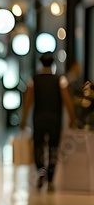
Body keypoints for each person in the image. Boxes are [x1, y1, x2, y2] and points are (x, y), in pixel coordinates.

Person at [21, 53, 78, 189]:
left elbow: (28, 101)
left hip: (39, 117)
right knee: (53, 147)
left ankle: (41, 171)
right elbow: (67, 101)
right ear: (52, 64)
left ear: (41, 64)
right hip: (55, 118)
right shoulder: (60, 80)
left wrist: (23, 119)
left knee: (39, 145)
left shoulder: (34, 80)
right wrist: (72, 118)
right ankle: (51, 175)